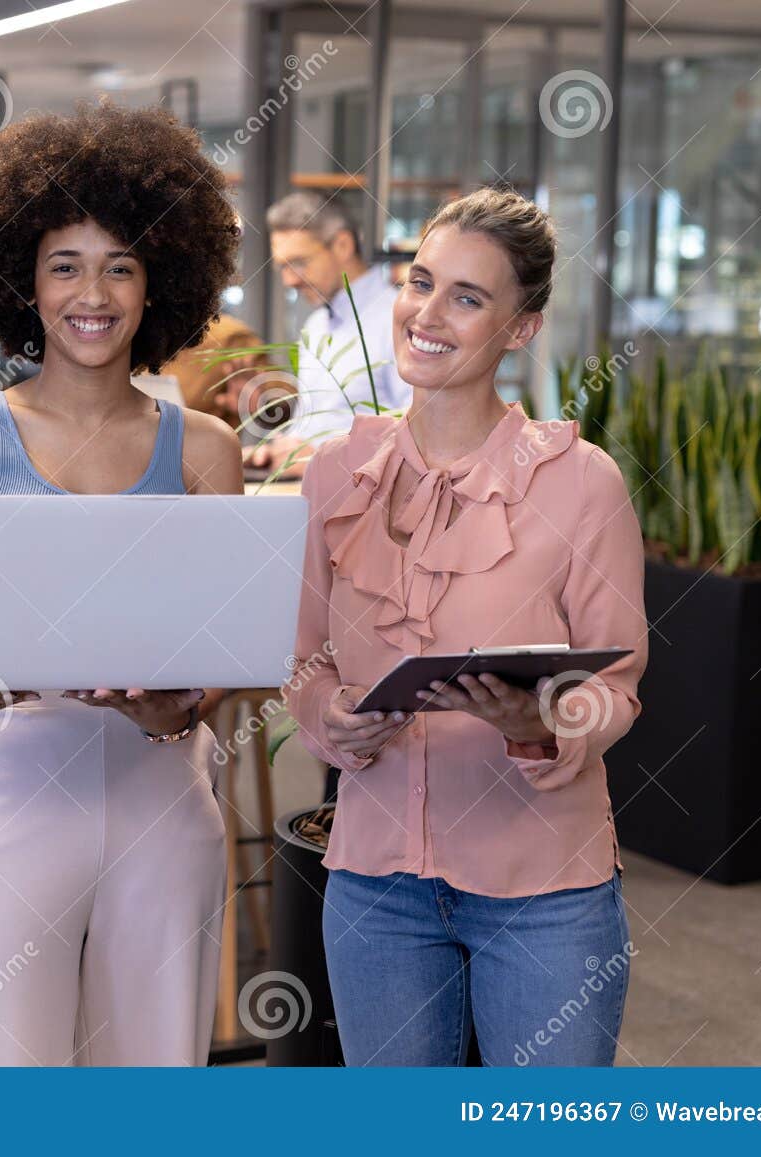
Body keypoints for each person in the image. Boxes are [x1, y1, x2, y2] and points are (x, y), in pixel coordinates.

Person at [0, 101, 241, 1065]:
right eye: (65, 265)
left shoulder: (206, 450)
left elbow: (228, 651)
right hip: (14, 775)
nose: (95, 293)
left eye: (120, 265)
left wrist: (181, 707)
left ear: (157, 282)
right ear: (24, 282)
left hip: (162, 784)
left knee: (156, 1061)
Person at [283, 187, 647, 1066]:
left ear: (520, 328)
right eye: (419, 282)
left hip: (545, 892)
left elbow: (620, 689)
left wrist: (543, 721)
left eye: (467, 297)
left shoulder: (581, 483)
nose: (427, 314)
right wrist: (329, 717)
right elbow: (304, 662)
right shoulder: (336, 473)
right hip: (374, 885)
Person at [248, 191, 411, 477]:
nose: (290, 280)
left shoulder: (401, 320)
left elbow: (421, 429)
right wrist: (277, 450)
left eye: (298, 263)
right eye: (282, 267)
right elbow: (312, 427)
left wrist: (323, 459)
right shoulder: (315, 326)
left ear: (343, 245)